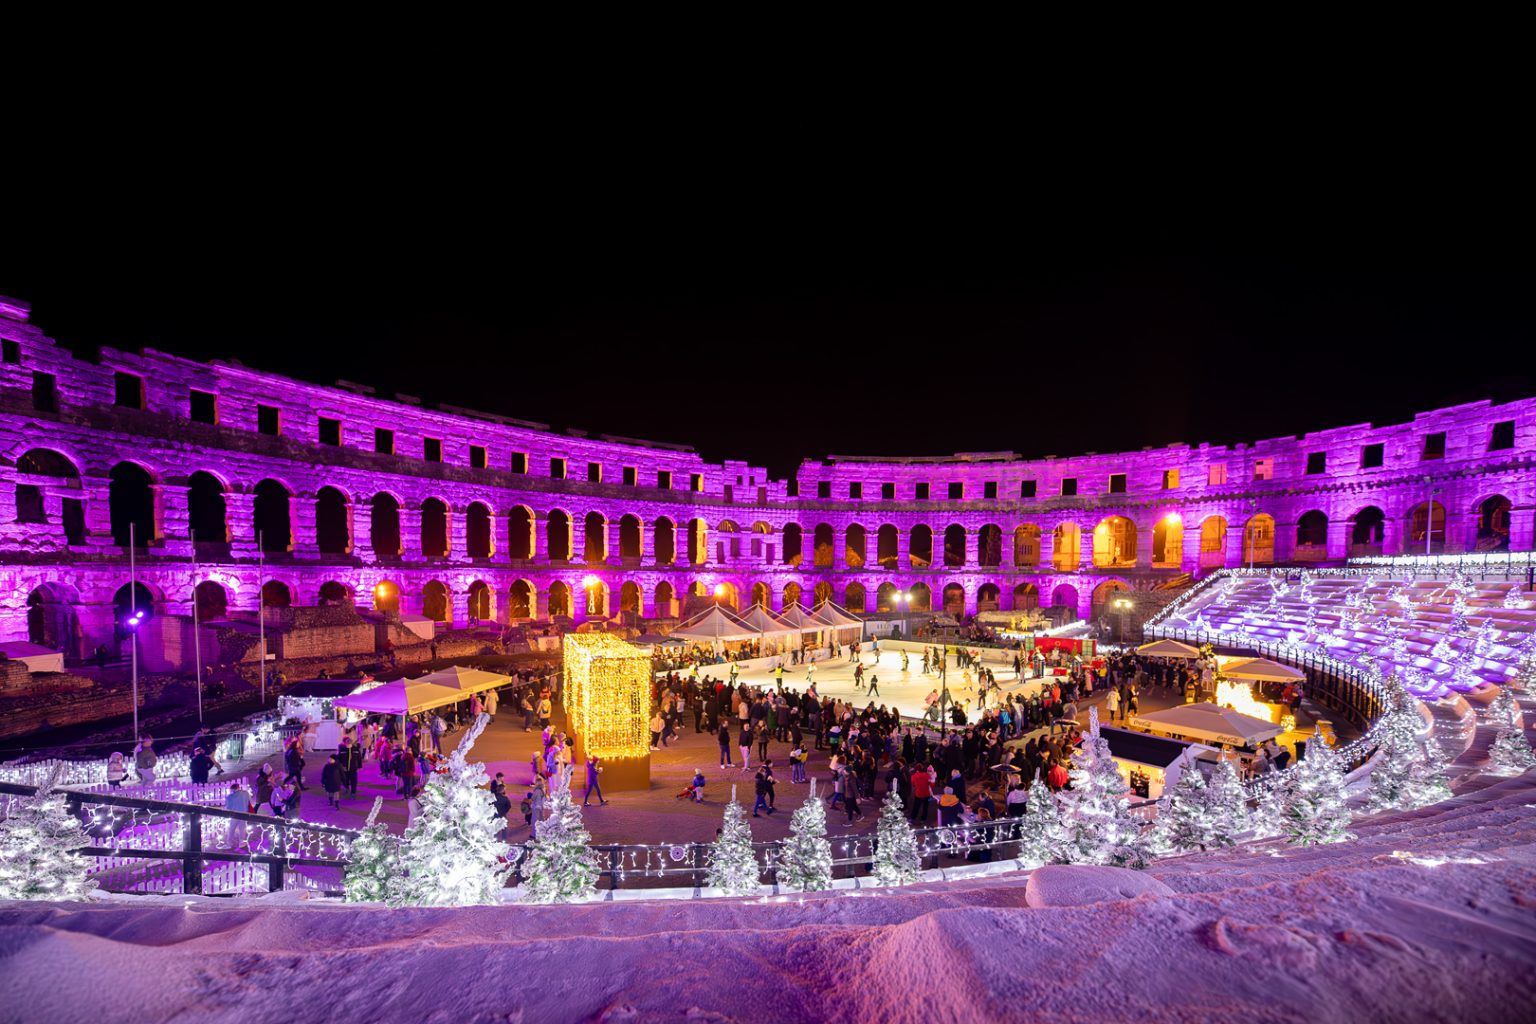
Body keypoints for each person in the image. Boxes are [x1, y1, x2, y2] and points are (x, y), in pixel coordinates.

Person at [224, 782, 252, 849]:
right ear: (238, 787)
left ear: (232, 789)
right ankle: (241, 843)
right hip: (243, 814)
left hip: (234, 815)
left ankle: (229, 844)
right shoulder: (246, 793)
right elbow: (249, 800)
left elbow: (228, 808)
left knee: (231, 829)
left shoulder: (229, 797)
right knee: (242, 829)